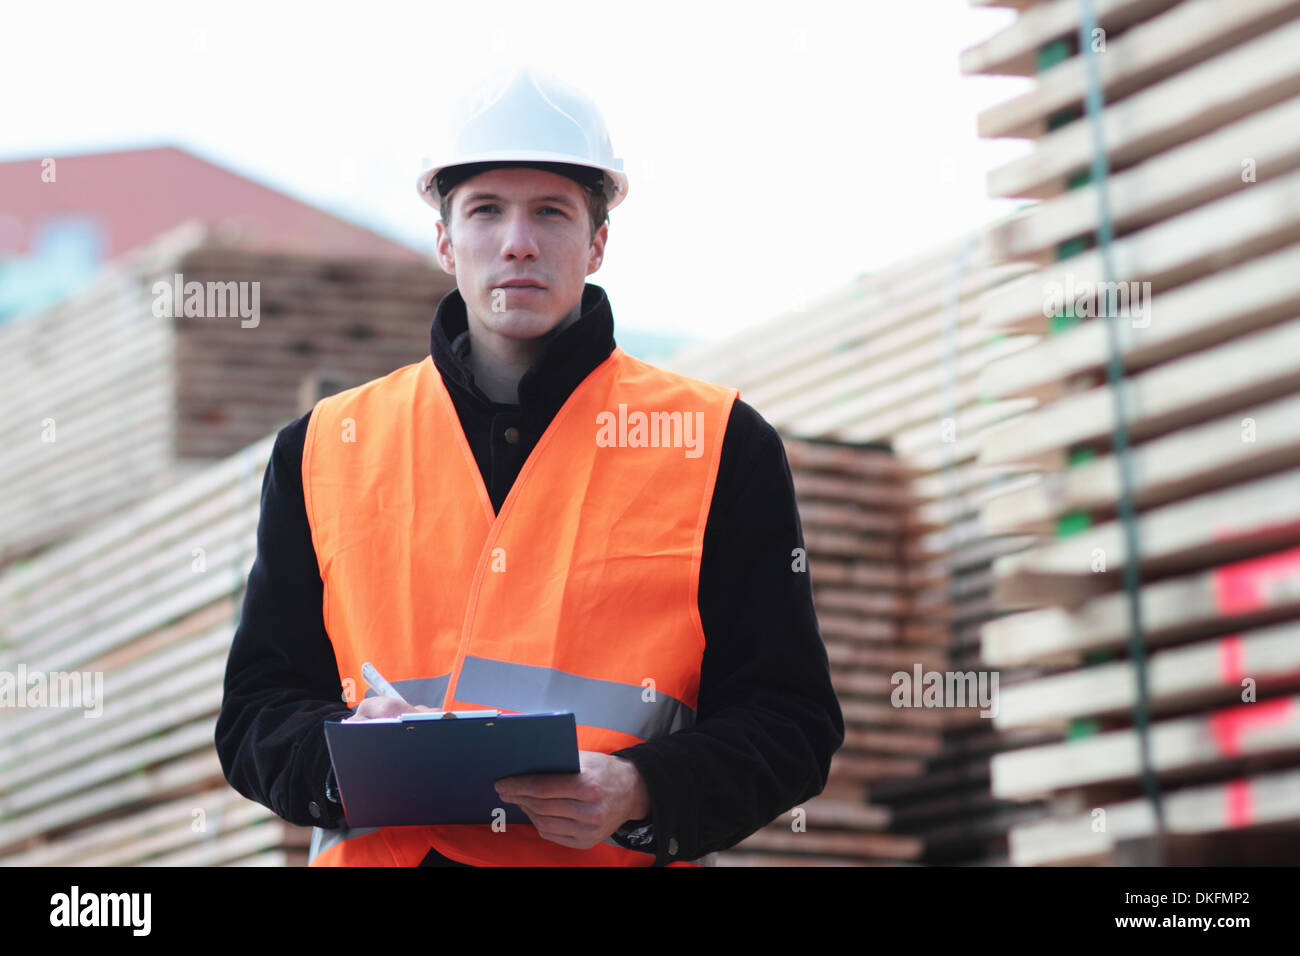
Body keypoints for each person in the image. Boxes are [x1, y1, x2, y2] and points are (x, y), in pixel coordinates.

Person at [215, 65, 844, 867]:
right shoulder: (323, 449)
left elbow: (791, 721)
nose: (518, 241)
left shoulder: (717, 443)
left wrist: (638, 789)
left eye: (551, 211)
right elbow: (254, 715)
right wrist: (343, 753)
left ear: (598, 242)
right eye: (485, 211)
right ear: (445, 240)